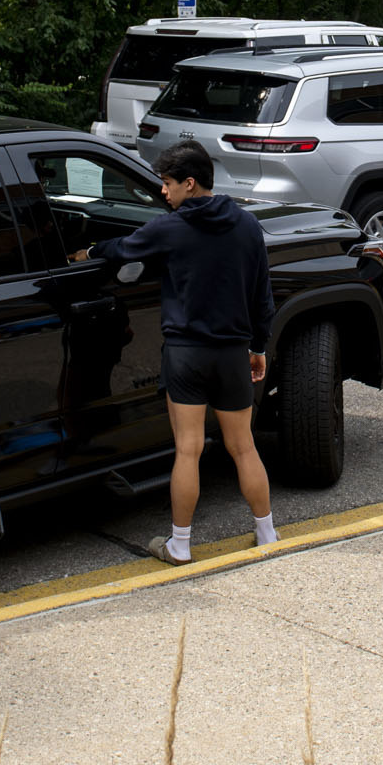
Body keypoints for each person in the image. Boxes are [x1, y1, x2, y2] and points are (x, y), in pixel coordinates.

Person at [70, 140, 277, 564]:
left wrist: (87, 252)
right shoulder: (247, 225)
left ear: (189, 182)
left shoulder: (171, 227)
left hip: (186, 353)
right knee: (243, 446)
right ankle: (267, 533)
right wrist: (258, 346)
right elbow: (262, 296)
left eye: (167, 183)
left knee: (188, 449)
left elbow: (122, 248)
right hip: (233, 352)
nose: (163, 192)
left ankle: (179, 545)